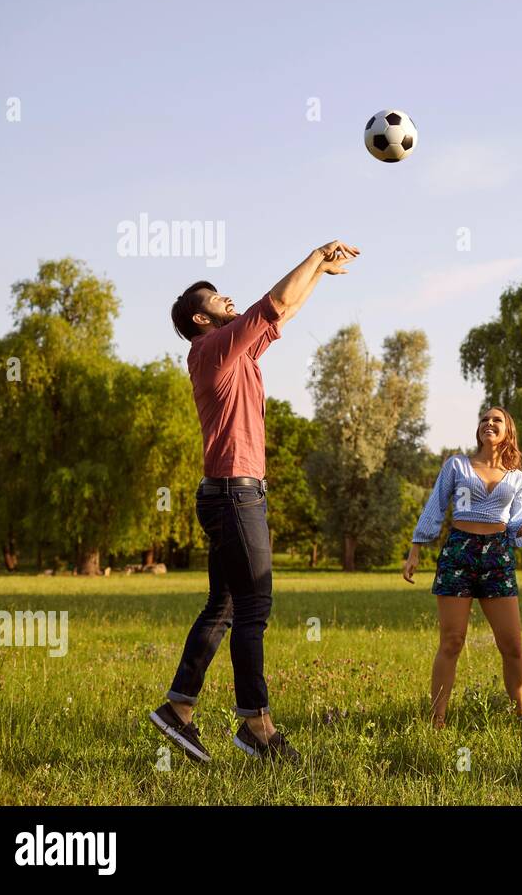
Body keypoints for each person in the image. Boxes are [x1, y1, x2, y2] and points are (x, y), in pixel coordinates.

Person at [150, 239, 359, 764]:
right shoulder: (212, 349)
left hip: (230, 495)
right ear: (202, 319)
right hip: (234, 496)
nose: (229, 301)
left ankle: (178, 711)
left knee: (223, 606)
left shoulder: (235, 351)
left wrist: (320, 273)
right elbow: (271, 302)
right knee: (253, 608)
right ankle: (256, 726)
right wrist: (313, 255)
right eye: (219, 300)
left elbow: (281, 309)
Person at [403, 406, 522, 728]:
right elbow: (435, 505)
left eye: (496, 420)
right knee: (452, 641)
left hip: (497, 556)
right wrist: (416, 549)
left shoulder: (516, 478)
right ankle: (438, 720)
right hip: (459, 552)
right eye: (485, 420)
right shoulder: (457, 465)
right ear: (479, 430)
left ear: (507, 432)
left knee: (512, 645)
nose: (489, 423)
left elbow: (516, 526)